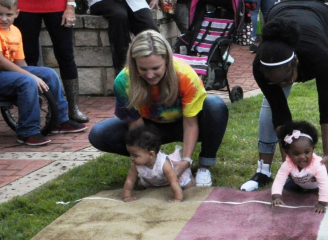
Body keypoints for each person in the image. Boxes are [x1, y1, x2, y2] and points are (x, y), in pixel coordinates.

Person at [244, 0, 328, 191]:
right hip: (286, 16)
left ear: (295, 62)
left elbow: (327, 106)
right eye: (275, 82)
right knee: (270, 105)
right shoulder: (262, 64)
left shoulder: (319, 56)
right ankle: (263, 170)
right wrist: (288, 159)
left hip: (326, 25)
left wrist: (327, 156)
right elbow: (280, 113)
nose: (283, 85)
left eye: (286, 79)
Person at [88, 31, 228, 187]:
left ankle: (204, 168)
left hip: (184, 124)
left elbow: (190, 124)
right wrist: (154, 162)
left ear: (167, 60)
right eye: (143, 69)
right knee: (99, 134)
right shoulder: (123, 81)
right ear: (134, 64)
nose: (150, 75)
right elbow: (136, 125)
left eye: (156, 68)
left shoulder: (186, 76)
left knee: (215, 106)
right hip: (150, 128)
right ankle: (153, 164)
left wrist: (186, 161)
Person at [0, 0, 85, 145]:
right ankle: (27, 132)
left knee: (48, 73)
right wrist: (30, 77)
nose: (4, 19)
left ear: (17, 13)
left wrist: (33, 75)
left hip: (4, 73)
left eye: (9, 15)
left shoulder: (15, 31)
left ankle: (59, 120)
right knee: (27, 81)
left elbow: (20, 64)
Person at [270, 121, 328, 215]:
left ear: (312, 149)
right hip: (299, 181)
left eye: (307, 152)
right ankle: (303, 187)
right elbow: (279, 180)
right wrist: (276, 197)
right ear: (288, 153)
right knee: (288, 187)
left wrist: (322, 204)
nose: (302, 157)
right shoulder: (287, 164)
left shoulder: (318, 165)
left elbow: (323, 185)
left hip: (320, 182)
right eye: (296, 154)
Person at [121, 124, 194, 203]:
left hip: (173, 176)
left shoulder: (164, 164)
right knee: (140, 184)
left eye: (135, 155)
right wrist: (127, 196)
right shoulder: (136, 164)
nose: (131, 158)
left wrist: (177, 198)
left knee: (188, 186)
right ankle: (155, 183)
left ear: (151, 154)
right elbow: (130, 180)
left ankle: (191, 176)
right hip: (154, 179)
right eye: (130, 154)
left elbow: (174, 181)